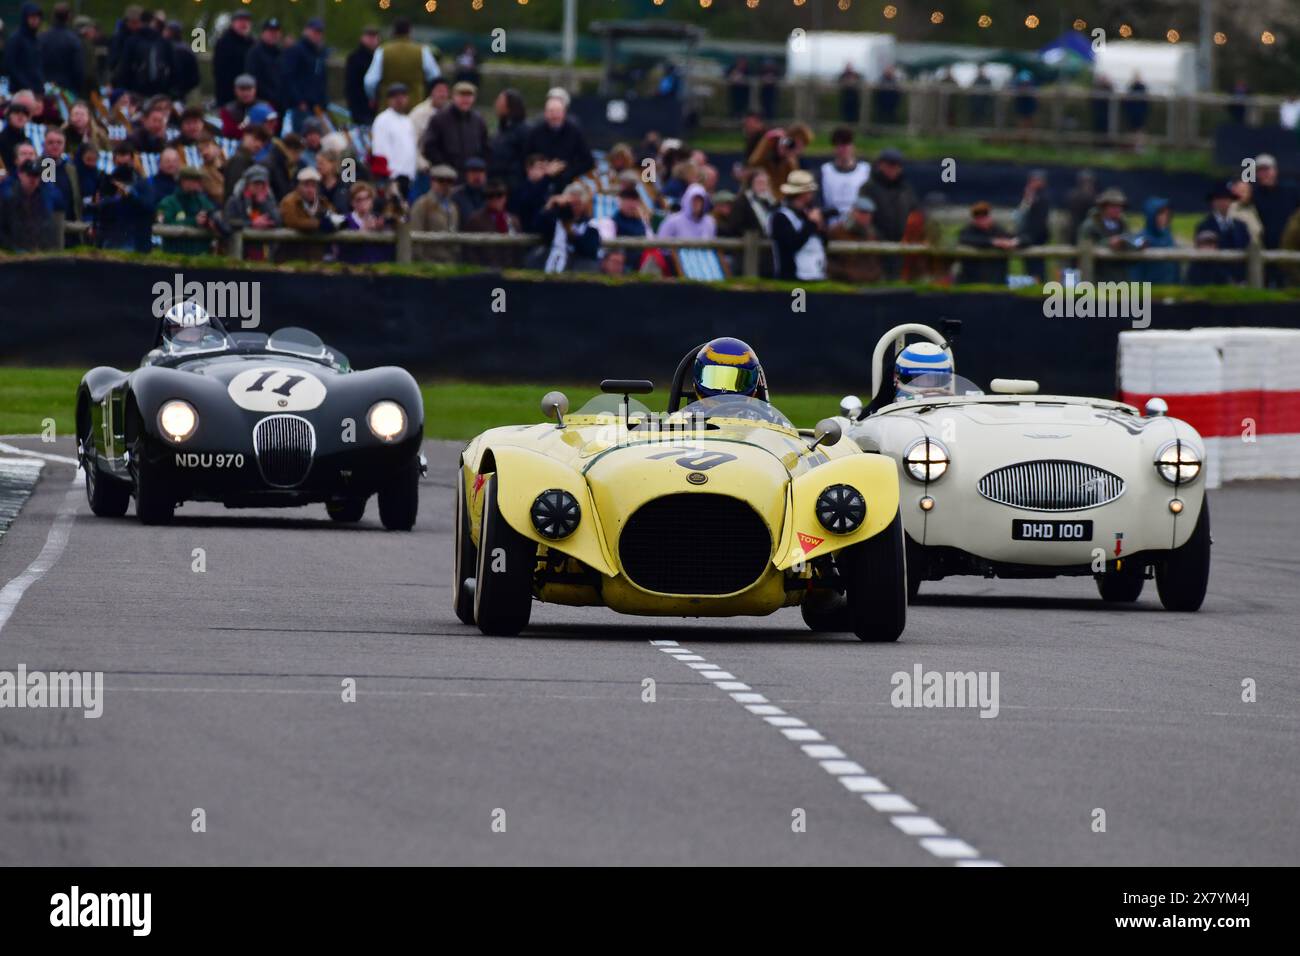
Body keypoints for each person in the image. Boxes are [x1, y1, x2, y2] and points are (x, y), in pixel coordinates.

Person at [365, 17, 441, 111]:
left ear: (393, 32)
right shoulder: (422, 51)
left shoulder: (382, 51)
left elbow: (370, 82)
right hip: (416, 107)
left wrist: (372, 98)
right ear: (410, 31)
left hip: (388, 106)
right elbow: (436, 77)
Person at [523, 94, 594, 189]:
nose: (554, 116)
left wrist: (566, 169)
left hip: (567, 184)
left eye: (558, 112)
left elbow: (588, 161)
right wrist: (543, 168)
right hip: (539, 184)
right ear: (545, 113)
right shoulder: (535, 132)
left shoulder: (574, 132)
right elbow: (526, 157)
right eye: (551, 112)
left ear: (564, 113)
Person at [420, 80, 488, 178]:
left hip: (471, 177)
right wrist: (445, 167)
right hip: (446, 178)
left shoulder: (478, 120)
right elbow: (429, 147)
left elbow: (485, 147)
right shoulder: (440, 118)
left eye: (469, 96)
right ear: (453, 97)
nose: (465, 99)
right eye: (462, 96)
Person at [770, 169, 826, 281]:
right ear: (803, 194)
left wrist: (819, 226)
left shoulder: (807, 214)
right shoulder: (781, 217)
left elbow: (824, 242)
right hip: (793, 277)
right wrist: (811, 224)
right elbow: (792, 244)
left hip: (815, 274)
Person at [535, 181, 600, 273]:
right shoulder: (555, 220)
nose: (574, 208)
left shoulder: (590, 225)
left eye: (577, 204)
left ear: (584, 205)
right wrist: (550, 205)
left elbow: (589, 249)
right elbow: (537, 226)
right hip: (551, 263)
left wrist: (569, 231)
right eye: (571, 204)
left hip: (577, 269)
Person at [1076, 187, 1137, 282]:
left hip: (1120, 279)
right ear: (1103, 207)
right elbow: (1084, 249)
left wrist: (1135, 245)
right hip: (1098, 278)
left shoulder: (1123, 224)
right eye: (1113, 206)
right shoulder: (1090, 226)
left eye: (1120, 206)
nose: (1118, 209)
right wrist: (1109, 244)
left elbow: (1131, 242)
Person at [1194, 182, 1250, 282]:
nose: (1223, 202)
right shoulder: (1203, 226)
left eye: (1226, 198)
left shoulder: (1241, 226)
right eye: (1219, 199)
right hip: (1213, 280)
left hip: (1238, 279)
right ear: (1213, 201)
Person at [278, 166, 336, 262]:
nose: (310, 189)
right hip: (292, 255)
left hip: (315, 255)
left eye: (313, 186)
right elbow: (293, 221)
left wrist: (331, 221)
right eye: (306, 185)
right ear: (298, 186)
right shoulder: (289, 201)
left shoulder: (322, 202)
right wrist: (319, 224)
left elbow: (334, 217)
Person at [280, 18, 329, 133]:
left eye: (319, 32)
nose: (317, 35)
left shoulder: (320, 53)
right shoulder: (296, 50)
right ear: (306, 31)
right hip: (301, 106)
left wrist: (324, 102)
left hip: (316, 107)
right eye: (314, 31)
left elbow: (322, 79)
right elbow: (288, 77)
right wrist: (298, 101)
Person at [156, 166, 217, 256]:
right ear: (184, 182)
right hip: (176, 255)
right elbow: (165, 224)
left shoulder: (202, 201)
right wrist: (193, 221)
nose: (199, 184)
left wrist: (211, 221)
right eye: (195, 180)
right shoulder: (168, 203)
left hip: (201, 257)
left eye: (199, 180)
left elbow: (213, 214)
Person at [462, 179, 521, 269]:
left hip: (510, 272)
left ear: (505, 197)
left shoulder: (513, 220)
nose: (495, 199)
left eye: (499, 195)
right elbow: (469, 250)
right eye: (490, 196)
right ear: (486, 199)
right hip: (484, 273)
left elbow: (518, 250)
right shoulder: (475, 220)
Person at [0, 159, 57, 251]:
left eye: (36, 176)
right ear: (20, 174)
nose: (33, 179)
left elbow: (47, 227)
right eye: (29, 175)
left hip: (38, 251)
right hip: (13, 252)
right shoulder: (9, 198)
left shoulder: (43, 198)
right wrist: (11, 248)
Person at [818, 126, 870, 225]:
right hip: (831, 225)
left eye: (846, 144)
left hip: (858, 226)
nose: (843, 149)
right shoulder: (824, 171)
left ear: (853, 146)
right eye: (839, 145)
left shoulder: (865, 171)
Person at [957, 201, 1017, 286]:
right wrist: (993, 242)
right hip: (973, 280)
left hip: (997, 279)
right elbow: (966, 239)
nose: (983, 221)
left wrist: (1012, 243)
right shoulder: (968, 231)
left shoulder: (997, 230)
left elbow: (1019, 238)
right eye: (979, 218)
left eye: (984, 217)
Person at [370, 83, 418, 188]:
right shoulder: (383, 119)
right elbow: (379, 150)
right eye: (395, 96)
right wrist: (387, 176)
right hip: (392, 177)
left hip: (408, 176)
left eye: (402, 96)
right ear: (389, 100)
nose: (399, 100)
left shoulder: (408, 121)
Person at [409, 164, 459, 263]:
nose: (445, 185)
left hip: (449, 262)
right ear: (432, 182)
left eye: (449, 182)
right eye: (441, 181)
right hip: (428, 263)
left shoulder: (453, 208)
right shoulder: (422, 204)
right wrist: (422, 262)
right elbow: (415, 237)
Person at [827, 196, 882, 284]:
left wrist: (875, 275)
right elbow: (829, 260)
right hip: (844, 284)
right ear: (853, 212)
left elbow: (875, 261)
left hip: (870, 283)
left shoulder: (872, 235)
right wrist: (844, 274)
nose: (866, 217)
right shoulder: (837, 232)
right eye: (862, 213)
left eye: (869, 214)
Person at [691, 337, 766, 402]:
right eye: (716, 378)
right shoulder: (687, 417)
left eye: (736, 382)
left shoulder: (759, 417)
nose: (723, 394)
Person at [338, 181, 393, 264]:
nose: (363, 203)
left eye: (367, 198)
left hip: (378, 267)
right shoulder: (345, 220)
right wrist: (363, 230)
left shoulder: (379, 219)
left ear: (372, 201)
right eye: (359, 199)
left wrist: (382, 230)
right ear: (352, 202)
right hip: (353, 268)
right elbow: (342, 250)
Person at [747, 123, 810, 193]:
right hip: (760, 188)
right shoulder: (771, 140)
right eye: (800, 145)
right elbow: (754, 162)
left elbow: (793, 178)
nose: (800, 151)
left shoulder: (790, 160)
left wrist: (788, 157)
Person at [1132, 196, 1180, 285]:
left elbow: (1175, 267)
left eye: (1167, 214)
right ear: (1151, 215)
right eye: (1160, 214)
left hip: (1170, 290)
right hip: (1148, 292)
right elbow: (1135, 271)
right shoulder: (1141, 237)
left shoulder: (1168, 236)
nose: (1164, 217)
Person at [487, 88, 529, 192]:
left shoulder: (522, 131)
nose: (496, 104)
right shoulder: (500, 130)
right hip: (495, 184)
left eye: (500, 101)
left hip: (512, 187)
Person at [1015, 169, 1051, 281]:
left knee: (1037, 268)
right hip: (1026, 237)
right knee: (1029, 268)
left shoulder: (1042, 198)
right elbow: (1020, 215)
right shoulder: (1028, 197)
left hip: (1035, 238)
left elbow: (1038, 221)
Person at [39, 3, 83, 94]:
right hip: (67, 90)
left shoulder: (42, 38)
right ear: (68, 16)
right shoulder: (73, 40)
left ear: (53, 16)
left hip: (45, 88)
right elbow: (78, 68)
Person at [213, 10, 254, 106]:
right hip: (229, 94)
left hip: (249, 94)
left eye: (246, 21)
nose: (244, 24)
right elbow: (220, 72)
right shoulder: (224, 42)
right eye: (240, 21)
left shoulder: (252, 43)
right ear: (233, 23)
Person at [245, 18, 283, 112]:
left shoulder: (280, 53)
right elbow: (253, 77)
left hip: (279, 103)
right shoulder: (255, 52)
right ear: (263, 33)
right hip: (261, 102)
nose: (273, 35)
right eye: (270, 32)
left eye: (276, 32)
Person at [345, 25, 381, 126]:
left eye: (374, 37)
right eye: (369, 37)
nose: (372, 40)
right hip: (360, 106)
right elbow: (351, 86)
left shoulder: (378, 56)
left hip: (375, 108)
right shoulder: (354, 58)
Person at [5, 3, 44, 94]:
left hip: (35, 92)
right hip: (20, 93)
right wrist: (26, 86)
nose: (35, 20)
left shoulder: (36, 40)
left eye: (37, 17)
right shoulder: (16, 39)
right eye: (32, 17)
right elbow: (10, 66)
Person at [220, 74, 268, 138]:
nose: (245, 93)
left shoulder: (266, 107)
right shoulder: (227, 110)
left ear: (255, 90)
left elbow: (270, 130)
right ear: (235, 90)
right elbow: (229, 131)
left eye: (249, 89)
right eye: (242, 89)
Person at [165, 19, 199, 102]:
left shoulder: (165, 47)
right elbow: (195, 78)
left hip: (169, 91)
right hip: (181, 92)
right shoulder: (187, 49)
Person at [451, 157, 487, 223]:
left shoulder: (493, 195)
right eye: (473, 172)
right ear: (466, 175)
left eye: (480, 172)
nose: (477, 176)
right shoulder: (456, 195)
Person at [0, 101, 33, 172]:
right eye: (16, 112)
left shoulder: (27, 140)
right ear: (8, 116)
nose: (20, 115)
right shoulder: (1, 139)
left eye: (24, 114)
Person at [1065, 169, 1097, 241]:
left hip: (1089, 227)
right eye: (1085, 181)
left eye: (1089, 181)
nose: (1088, 184)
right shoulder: (1074, 194)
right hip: (1075, 225)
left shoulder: (1094, 195)